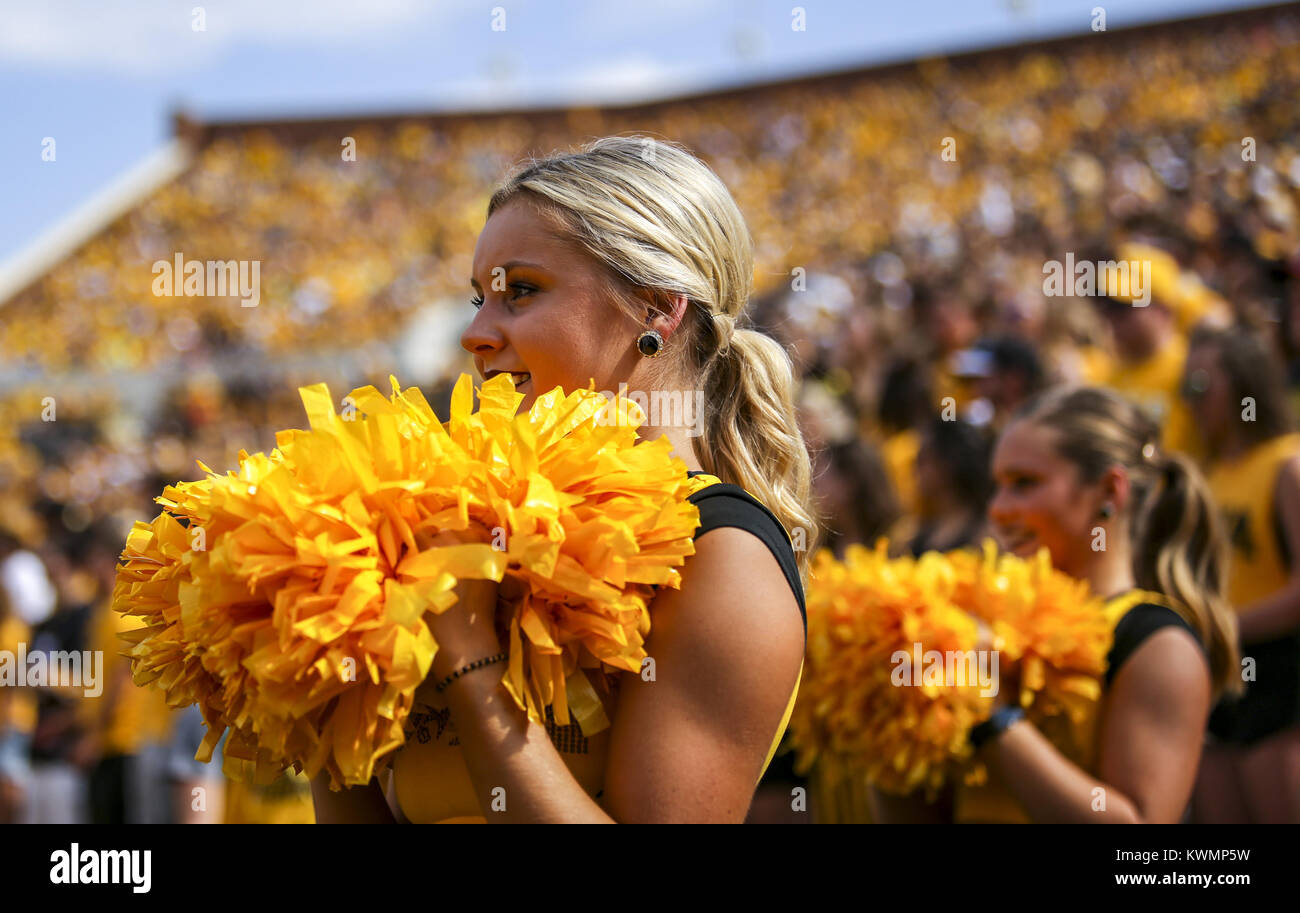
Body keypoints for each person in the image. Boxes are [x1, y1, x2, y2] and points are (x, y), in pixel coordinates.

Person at [310, 136, 814, 824]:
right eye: (478, 298)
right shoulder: (477, 534)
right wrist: (318, 705)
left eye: (520, 291)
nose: (476, 333)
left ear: (654, 308)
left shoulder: (721, 551)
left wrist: (467, 660)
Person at [872, 386, 1238, 823]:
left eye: (1024, 484)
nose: (999, 510)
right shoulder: (983, 627)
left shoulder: (1156, 641)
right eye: (998, 486)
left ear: (1109, 490)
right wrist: (890, 730)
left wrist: (995, 712)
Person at [1183, 325, 1300, 822]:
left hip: (1280, 675)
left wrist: (1222, 623)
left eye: (1201, 385)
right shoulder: (1205, 474)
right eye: (1184, 387)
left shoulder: (1287, 464)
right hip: (1218, 672)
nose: (1191, 399)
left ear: (1244, 385)